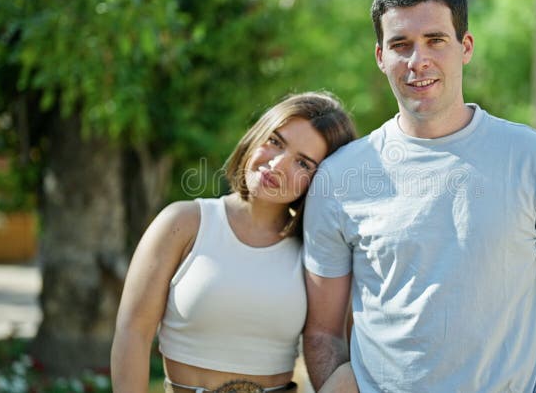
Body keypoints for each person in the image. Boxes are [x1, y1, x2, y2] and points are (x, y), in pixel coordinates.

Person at [302, 0, 536, 392]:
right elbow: (322, 332)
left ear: (465, 47)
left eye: (435, 40)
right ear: (380, 56)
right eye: (400, 45)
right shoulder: (340, 176)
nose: (417, 60)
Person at [111, 92, 356, 393]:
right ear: (256, 136)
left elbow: (344, 347)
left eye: (302, 163)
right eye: (275, 142)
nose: (277, 165)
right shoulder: (183, 223)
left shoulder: (319, 252)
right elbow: (133, 332)